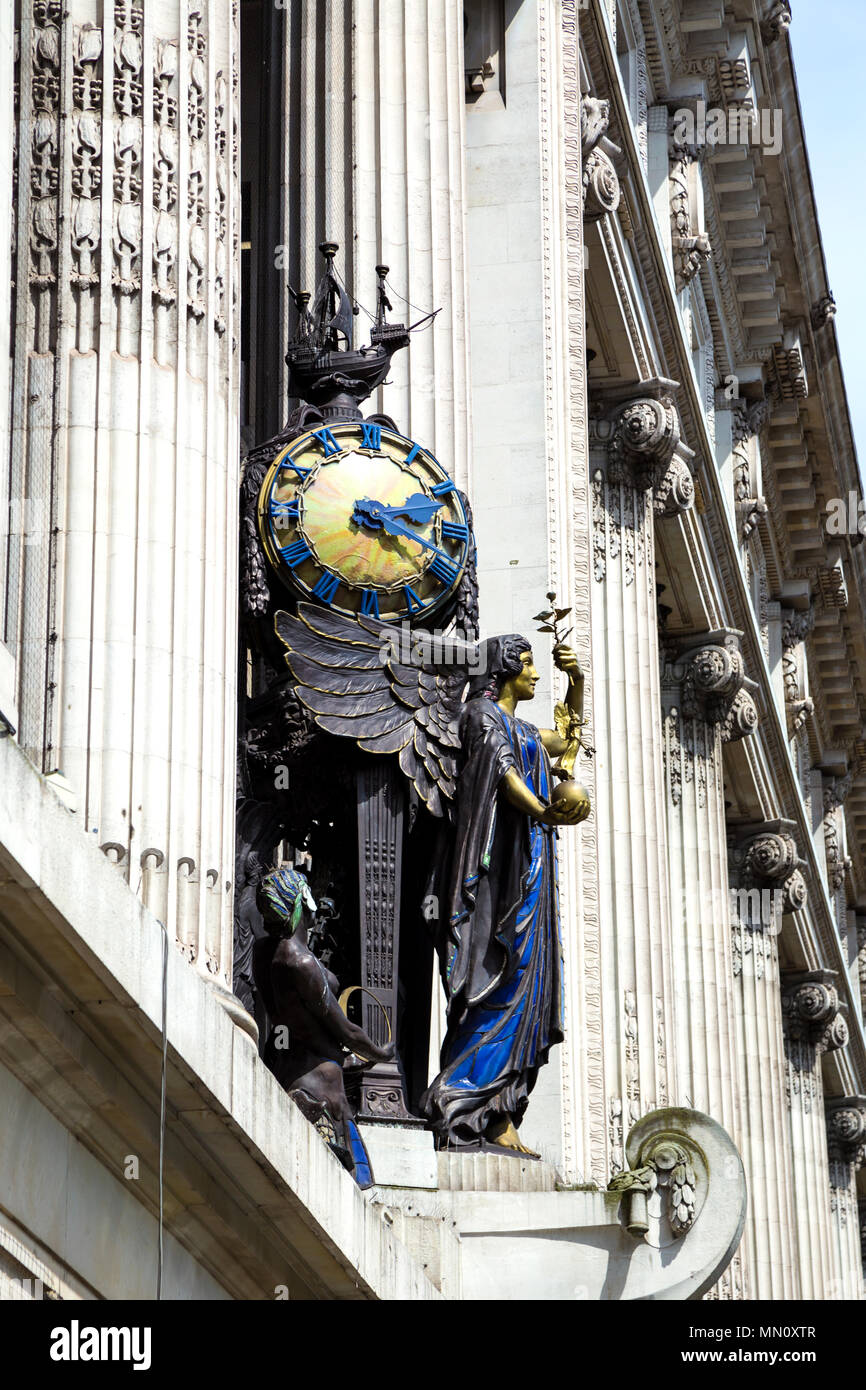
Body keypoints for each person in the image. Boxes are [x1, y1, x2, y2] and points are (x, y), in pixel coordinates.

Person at [421, 635, 586, 1155]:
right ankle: (459, 1102)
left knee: (528, 977)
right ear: (505, 668)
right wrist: (543, 811)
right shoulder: (480, 714)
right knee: (494, 975)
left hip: (530, 873)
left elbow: (562, 741)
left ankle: (499, 1112)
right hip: (491, 876)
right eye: (529, 664)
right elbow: (500, 769)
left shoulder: (518, 725)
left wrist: (576, 682)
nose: (536, 673)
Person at [253, 866, 394, 1185]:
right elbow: (345, 1029)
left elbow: (296, 1027)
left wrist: (347, 1056)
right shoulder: (300, 963)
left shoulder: (264, 952)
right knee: (356, 1184)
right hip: (323, 1092)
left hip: (287, 1074)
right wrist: (381, 1052)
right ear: (303, 901)